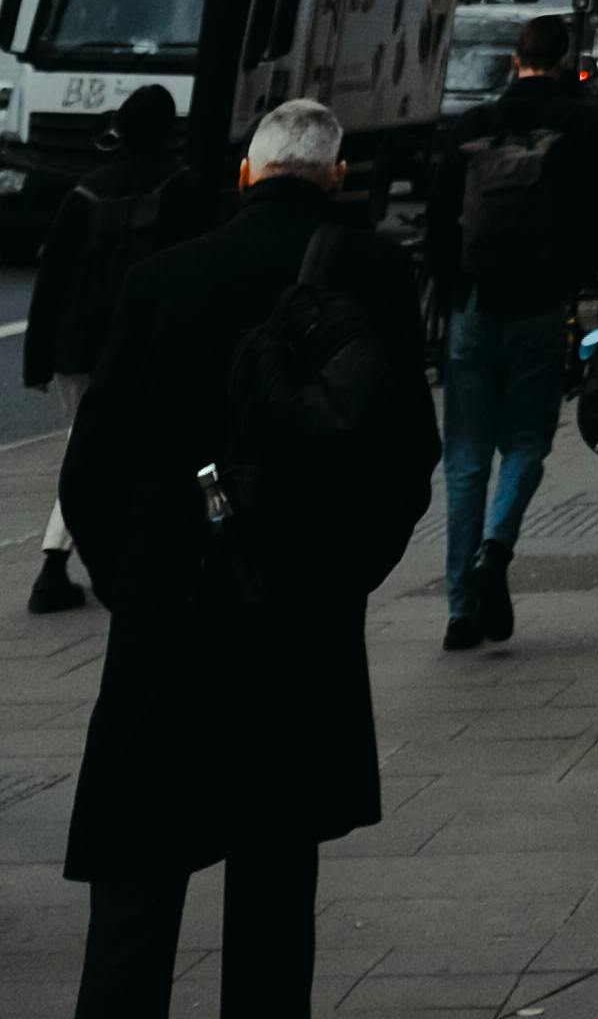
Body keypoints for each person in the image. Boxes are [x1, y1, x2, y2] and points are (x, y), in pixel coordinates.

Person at [56, 89, 438, 1019]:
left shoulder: (164, 279)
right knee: (274, 885)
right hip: (298, 614)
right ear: (337, 177)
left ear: (245, 174)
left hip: (170, 612)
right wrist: (346, 569)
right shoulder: (376, 273)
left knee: (138, 882)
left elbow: (91, 466)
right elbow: (408, 454)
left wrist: (133, 576)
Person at [426, 11, 598, 651]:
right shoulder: (581, 122)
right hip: (537, 307)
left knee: (465, 456)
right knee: (528, 440)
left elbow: (440, 217)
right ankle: (496, 548)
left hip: (473, 305)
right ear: (563, 60)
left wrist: (452, 292)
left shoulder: (473, 125)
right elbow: (596, 221)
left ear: (514, 61)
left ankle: (458, 610)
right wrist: (568, 287)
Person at [19, 86, 207, 616]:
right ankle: (82, 557)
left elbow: (51, 279)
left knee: (85, 444)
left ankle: (56, 562)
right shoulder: (184, 188)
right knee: (150, 447)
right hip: (147, 340)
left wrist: (37, 357)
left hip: (77, 346)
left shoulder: (84, 192)